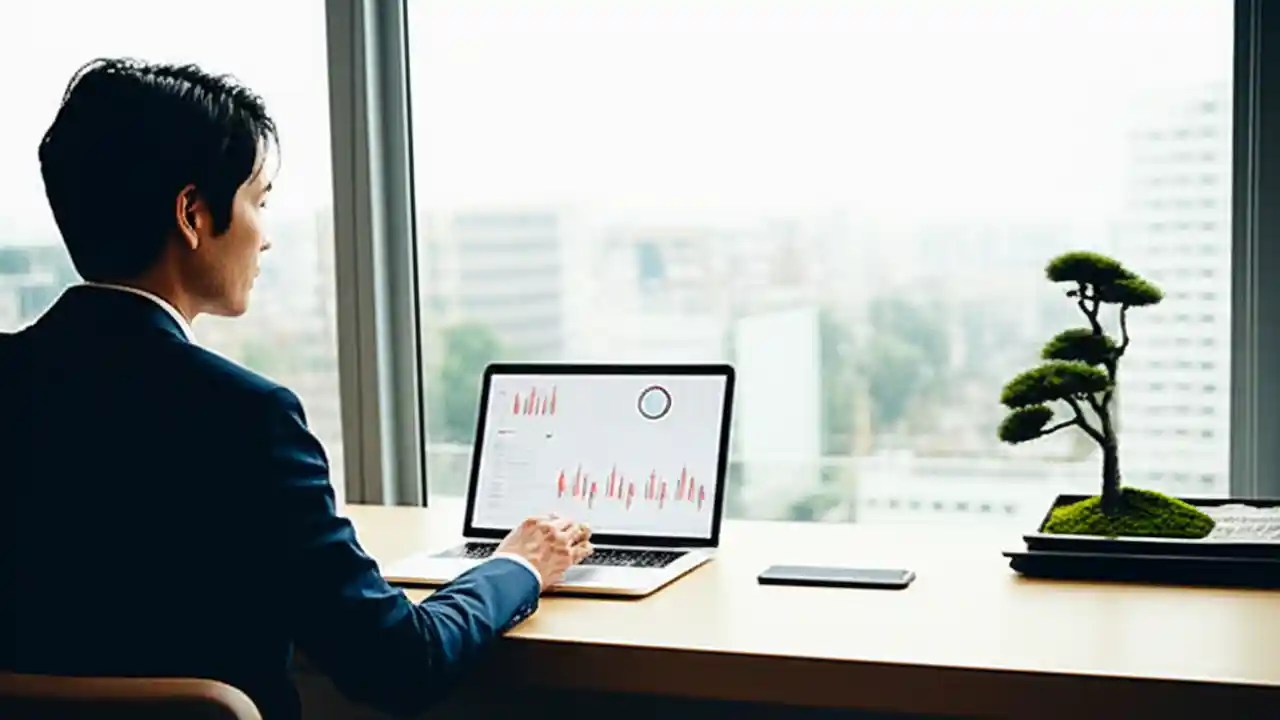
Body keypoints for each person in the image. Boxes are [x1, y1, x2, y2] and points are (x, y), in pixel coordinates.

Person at [0, 58, 592, 720]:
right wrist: (516, 566)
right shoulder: (245, 418)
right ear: (193, 214)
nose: (267, 237)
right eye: (260, 200)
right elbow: (398, 664)